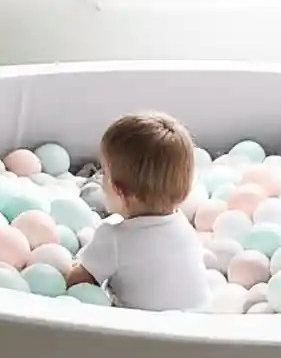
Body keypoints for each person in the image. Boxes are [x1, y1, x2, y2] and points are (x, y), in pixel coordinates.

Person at [68, 112, 209, 311]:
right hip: (198, 322)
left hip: (141, 328)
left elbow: (77, 282)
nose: (99, 178)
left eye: (104, 172)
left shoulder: (113, 237)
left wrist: (65, 265)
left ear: (118, 190)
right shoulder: (183, 227)